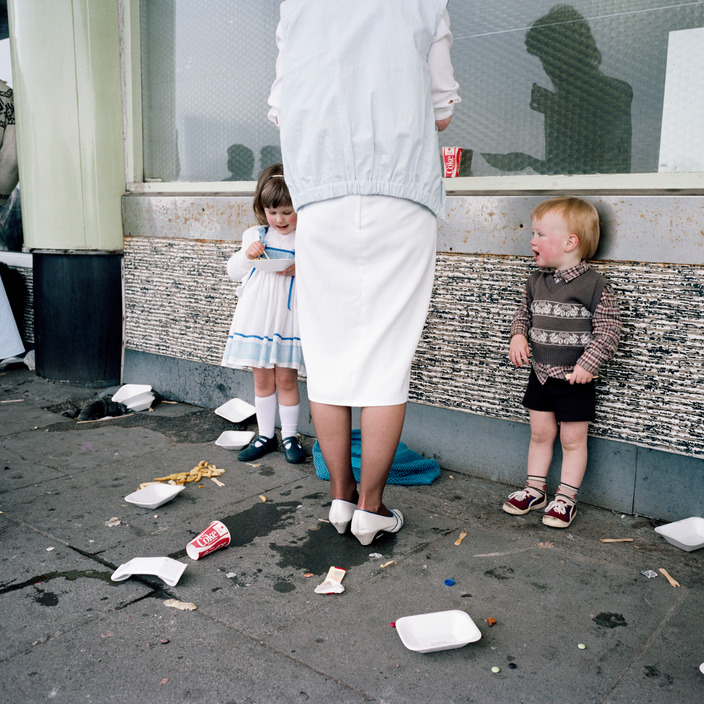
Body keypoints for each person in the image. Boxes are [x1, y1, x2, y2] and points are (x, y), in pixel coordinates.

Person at [268, 1, 459, 545]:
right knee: (386, 358)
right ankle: (372, 509)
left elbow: (281, 108)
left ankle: (339, 499)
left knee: (325, 355)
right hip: (402, 192)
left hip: (323, 194)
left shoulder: (298, 7)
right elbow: (442, 107)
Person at [504, 197, 621, 528]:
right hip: (540, 375)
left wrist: (589, 363)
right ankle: (535, 489)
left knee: (572, 440)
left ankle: (566, 497)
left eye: (540, 234)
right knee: (540, 434)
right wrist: (518, 336)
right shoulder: (535, 281)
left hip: (574, 379)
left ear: (571, 242)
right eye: (533, 234)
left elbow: (609, 329)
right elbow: (522, 314)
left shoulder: (594, 285)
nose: (532, 241)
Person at [222, 163, 306, 464]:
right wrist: (247, 255)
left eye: (287, 211)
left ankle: (290, 436)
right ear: (262, 208)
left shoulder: (306, 237)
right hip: (258, 315)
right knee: (262, 379)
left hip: (288, 316)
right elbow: (233, 272)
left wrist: (305, 268)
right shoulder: (254, 236)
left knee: (286, 378)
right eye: (273, 212)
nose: (280, 219)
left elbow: (324, 274)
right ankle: (265, 435)